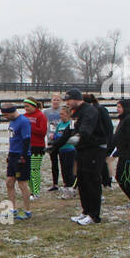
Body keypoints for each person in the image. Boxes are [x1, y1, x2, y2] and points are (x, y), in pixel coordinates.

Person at [52, 89, 106, 226]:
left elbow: (86, 129)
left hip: (94, 150)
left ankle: (94, 216)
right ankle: (86, 211)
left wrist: (78, 137)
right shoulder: (75, 113)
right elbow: (69, 132)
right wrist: (54, 146)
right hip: (82, 150)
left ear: (77, 99)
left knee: (92, 182)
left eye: (69, 100)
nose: (67, 103)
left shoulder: (90, 111)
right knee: (82, 181)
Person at [1, 102, 32, 221]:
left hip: (21, 156)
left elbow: (27, 140)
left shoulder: (23, 122)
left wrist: (23, 156)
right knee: (9, 182)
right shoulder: (12, 122)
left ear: (11, 112)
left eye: (6, 115)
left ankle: (27, 211)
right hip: (13, 155)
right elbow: (12, 139)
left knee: (22, 184)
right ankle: (12, 209)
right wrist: (10, 154)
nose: (5, 117)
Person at [111, 98, 130, 207]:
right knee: (119, 177)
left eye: (119, 107)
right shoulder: (123, 120)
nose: (117, 109)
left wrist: (125, 153)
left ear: (125, 108)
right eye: (117, 107)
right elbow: (117, 138)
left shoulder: (129, 120)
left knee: (124, 178)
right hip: (123, 154)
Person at [48, 103, 77, 198]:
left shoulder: (71, 124)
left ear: (68, 115)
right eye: (60, 114)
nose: (61, 116)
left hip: (70, 149)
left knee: (69, 170)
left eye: (63, 114)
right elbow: (56, 135)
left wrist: (58, 136)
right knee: (63, 170)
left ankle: (71, 188)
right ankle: (66, 187)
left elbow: (69, 135)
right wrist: (55, 137)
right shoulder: (60, 124)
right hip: (62, 149)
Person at [23, 98, 49, 198]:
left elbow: (42, 131)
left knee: (34, 170)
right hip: (26, 146)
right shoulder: (24, 116)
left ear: (34, 106)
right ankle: (30, 191)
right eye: (24, 106)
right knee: (28, 170)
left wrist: (30, 126)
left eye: (27, 106)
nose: (25, 108)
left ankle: (36, 191)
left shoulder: (41, 116)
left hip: (37, 146)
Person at [46, 96, 63, 190]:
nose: (55, 102)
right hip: (51, 140)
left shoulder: (63, 110)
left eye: (57, 100)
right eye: (54, 100)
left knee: (63, 162)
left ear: (60, 101)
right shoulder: (47, 112)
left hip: (61, 140)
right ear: (51, 101)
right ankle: (55, 184)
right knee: (54, 163)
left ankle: (66, 183)